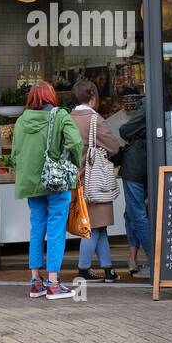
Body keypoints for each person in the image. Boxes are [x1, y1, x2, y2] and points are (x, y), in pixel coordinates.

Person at [11, 80, 82, 301]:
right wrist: (74, 164)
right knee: (56, 230)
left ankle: (36, 282)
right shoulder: (60, 116)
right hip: (56, 182)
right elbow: (76, 142)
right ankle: (53, 283)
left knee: (36, 228)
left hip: (32, 183)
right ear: (51, 97)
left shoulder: (22, 120)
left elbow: (14, 154)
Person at [70, 78, 122, 283]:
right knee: (92, 227)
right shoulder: (95, 120)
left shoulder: (69, 118)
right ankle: (83, 269)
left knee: (99, 225)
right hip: (95, 180)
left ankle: (108, 269)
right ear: (92, 97)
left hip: (78, 178)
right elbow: (114, 146)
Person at [118, 94, 152, 278]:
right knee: (132, 213)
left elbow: (125, 130)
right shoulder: (165, 103)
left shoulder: (148, 104)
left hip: (135, 167)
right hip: (149, 166)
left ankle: (155, 260)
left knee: (137, 214)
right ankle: (132, 259)